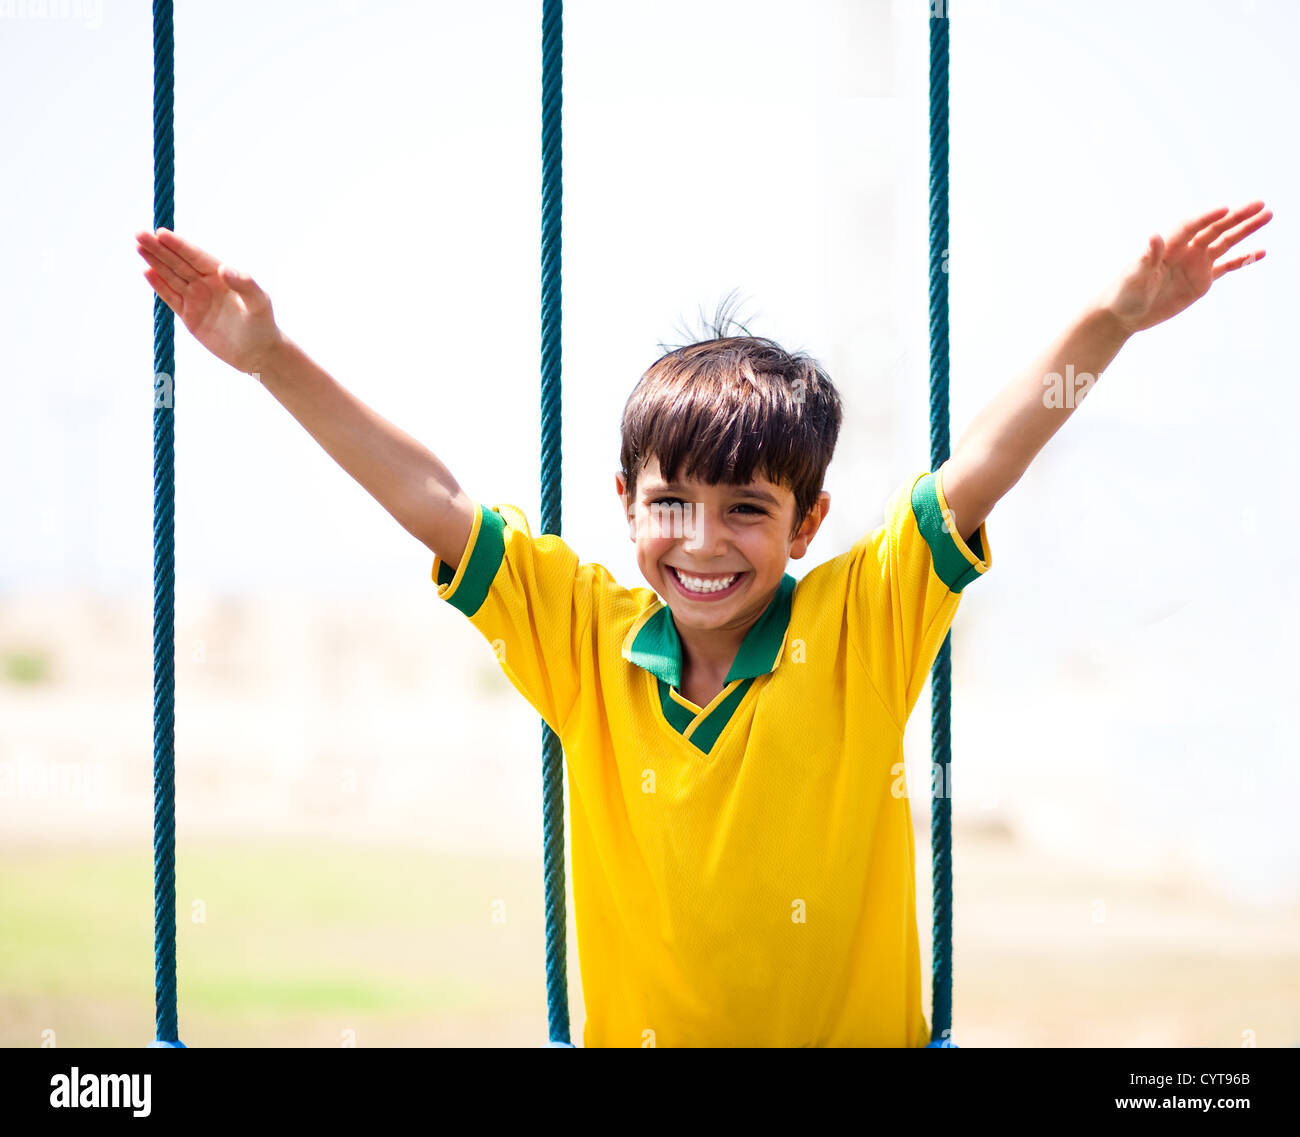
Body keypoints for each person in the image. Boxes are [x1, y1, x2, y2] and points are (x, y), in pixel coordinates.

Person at [134, 201, 1271, 1046]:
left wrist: (1108, 324)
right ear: (625, 504)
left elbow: (982, 468)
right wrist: (270, 358)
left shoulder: (865, 621)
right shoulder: (580, 637)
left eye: (746, 510)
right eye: (670, 503)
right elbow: (431, 500)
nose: (703, 541)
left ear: (808, 521)